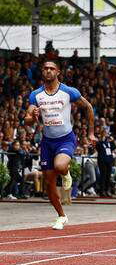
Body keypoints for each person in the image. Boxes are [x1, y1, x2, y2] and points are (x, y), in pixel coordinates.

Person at [23, 59, 96, 229]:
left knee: (60, 166)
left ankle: (66, 172)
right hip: (47, 142)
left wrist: (91, 133)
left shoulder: (69, 91)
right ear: (42, 72)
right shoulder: (36, 95)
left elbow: (88, 107)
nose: (48, 71)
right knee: (49, 183)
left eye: (51, 68)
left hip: (65, 138)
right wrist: (33, 117)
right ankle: (61, 216)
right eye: (45, 68)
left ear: (58, 72)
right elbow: (27, 119)